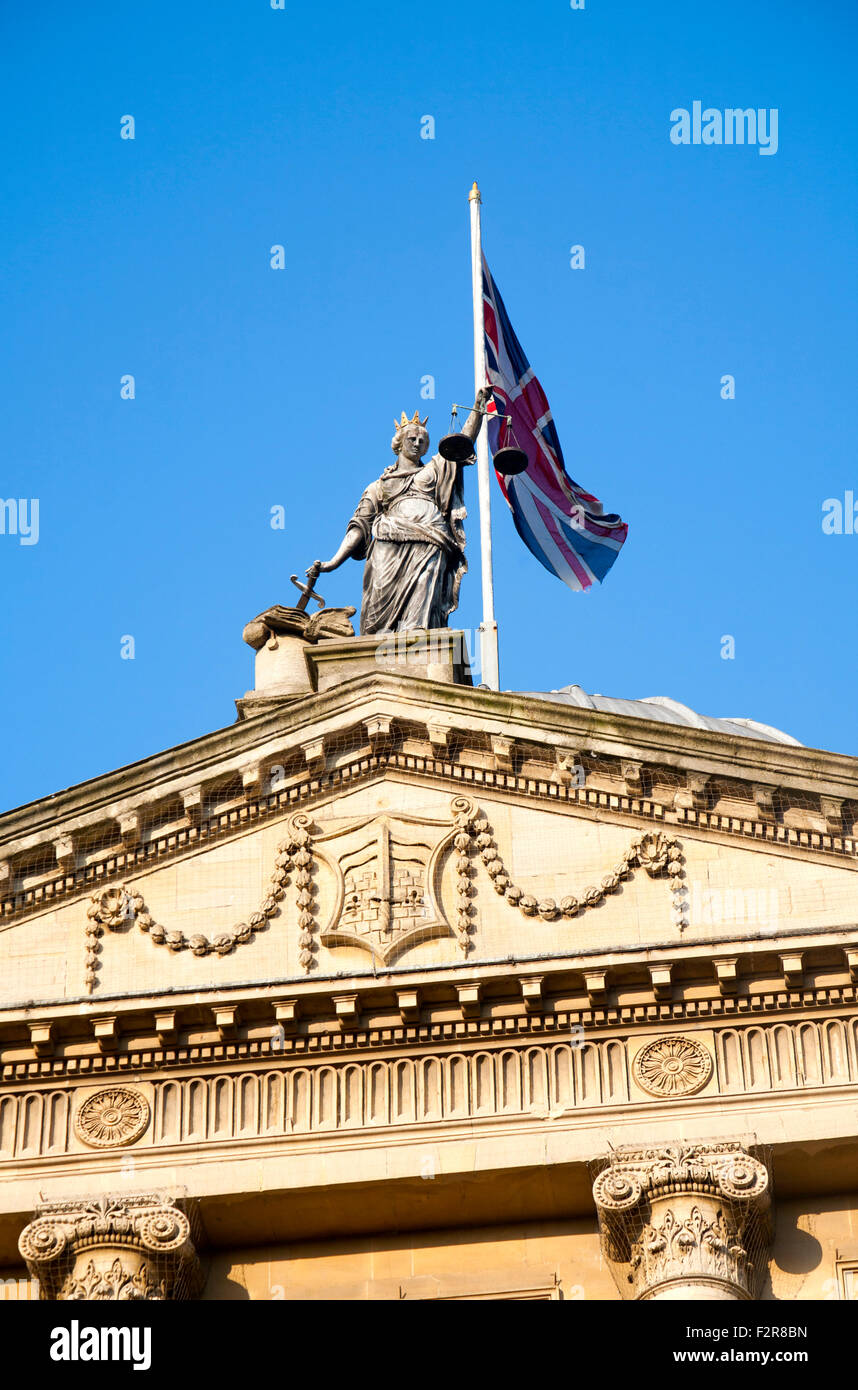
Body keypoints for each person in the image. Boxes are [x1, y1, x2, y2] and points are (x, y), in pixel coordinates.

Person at [310, 389, 490, 634]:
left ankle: (416, 638)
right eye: (412, 439)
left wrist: (478, 407)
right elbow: (358, 528)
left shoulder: (435, 469)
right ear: (398, 443)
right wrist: (333, 562)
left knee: (420, 606)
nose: (417, 444)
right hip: (388, 542)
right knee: (377, 614)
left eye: (422, 441)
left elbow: (463, 441)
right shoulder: (379, 486)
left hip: (429, 540)